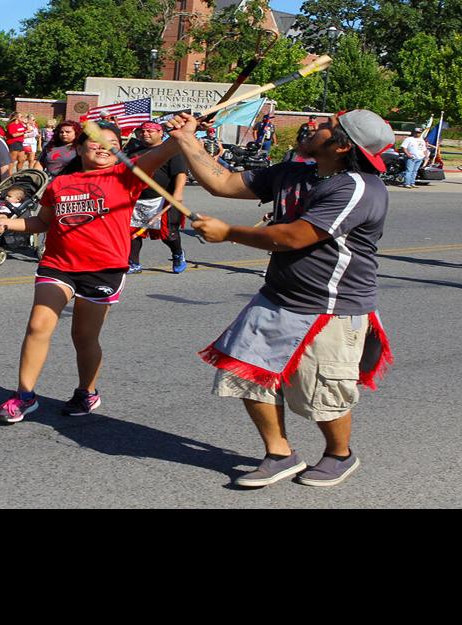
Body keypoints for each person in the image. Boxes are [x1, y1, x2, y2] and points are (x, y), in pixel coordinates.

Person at [161, 109, 394, 488]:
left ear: (342, 145)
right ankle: (280, 453)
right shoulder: (293, 171)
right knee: (246, 372)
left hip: (330, 307)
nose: (314, 127)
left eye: (326, 127)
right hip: (277, 297)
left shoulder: (359, 187)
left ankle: (339, 454)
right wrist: (188, 138)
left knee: (322, 393)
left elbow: (295, 236)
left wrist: (228, 232)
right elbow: (224, 182)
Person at [0, 119, 183, 425]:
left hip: (104, 269)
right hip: (58, 265)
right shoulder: (60, 183)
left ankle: (87, 392)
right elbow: (41, 223)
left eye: (110, 142)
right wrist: (7, 223)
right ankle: (24, 396)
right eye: (95, 140)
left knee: (83, 337)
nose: (102, 146)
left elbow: (167, 149)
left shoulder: (127, 175)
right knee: (37, 326)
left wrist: (183, 132)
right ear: (79, 146)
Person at [125, 121, 189, 274]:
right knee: (132, 233)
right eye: (143, 131)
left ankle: (178, 254)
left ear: (161, 133)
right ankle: (133, 262)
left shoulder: (170, 151)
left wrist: (178, 194)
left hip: (163, 199)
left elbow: (180, 173)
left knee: (168, 234)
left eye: (150, 131)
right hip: (137, 199)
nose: (145, 134)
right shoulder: (134, 151)